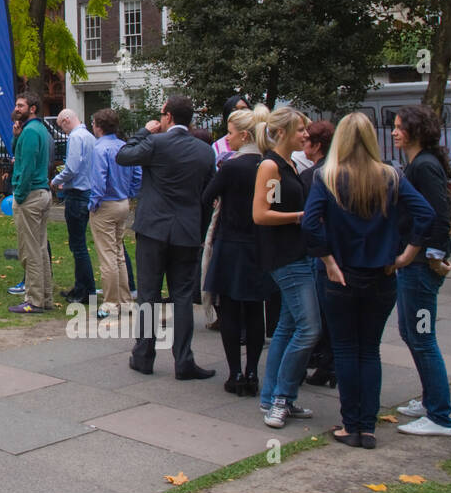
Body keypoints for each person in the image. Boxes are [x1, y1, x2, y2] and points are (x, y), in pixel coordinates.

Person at [303, 113, 434, 449]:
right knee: (369, 350)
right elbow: (426, 213)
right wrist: (405, 255)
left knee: (346, 349)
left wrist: (328, 259)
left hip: (341, 275)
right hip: (381, 275)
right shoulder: (390, 175)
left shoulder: (327, 176)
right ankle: (368, 426)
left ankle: (352, 425)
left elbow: (310, 224)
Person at [116, 94, 217, 379]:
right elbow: (208, 197)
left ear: (168, 116)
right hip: (186, 230)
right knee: (183, 296)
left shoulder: (156, 143)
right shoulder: (205, 152)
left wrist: (143, 132)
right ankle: (183, 360)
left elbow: (123, 155)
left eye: (162, 115)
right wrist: (199, 231)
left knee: (148, 293)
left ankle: (144, 355)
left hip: (153, 229)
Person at [391, 105, 451, 437]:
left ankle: (439, 415)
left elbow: (437, 215)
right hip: (416, 266)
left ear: (416, 130)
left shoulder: (424, 167)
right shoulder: (420, 164)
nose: (394, 132)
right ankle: (431, 399)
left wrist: (428, 256)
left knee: (421, 336)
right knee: (412, 333)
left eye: (400, 127)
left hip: (419, 268)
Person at [253, 106, 317, 428]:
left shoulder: (288, 164)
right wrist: (299, 217)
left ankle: (275, 397)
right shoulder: (271, 166)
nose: (306, 135)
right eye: (300, 130)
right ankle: (280, 397)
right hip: (286, 257)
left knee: (288, 327)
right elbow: (262, 214)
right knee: (309, 328)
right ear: (281, 132)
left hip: (296, 252)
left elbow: (274, 205)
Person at [201, 105, 269, 396]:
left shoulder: (231, 167)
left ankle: (235, 373)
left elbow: (206, 196)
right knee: (255, 312)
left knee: (229, 312)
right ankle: (253, 372)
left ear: (244, 135)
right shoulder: (269, 165)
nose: (228, 140)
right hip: (259, 246)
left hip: (231, 244)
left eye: (230, 134)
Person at [88, 108, 141, 317]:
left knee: (107, 255)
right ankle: (125, 300)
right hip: (122, 202)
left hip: (106, 204)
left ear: (98, 126)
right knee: (118, 252)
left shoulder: (100, 149)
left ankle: (110, 302)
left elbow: (99, 180)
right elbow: (138, 174)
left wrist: (93, 203)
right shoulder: (123, 146)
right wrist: (129, 193)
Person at [299, 120, 337, 387]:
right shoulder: (338, 171)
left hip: (318, 250)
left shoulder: (312, 176)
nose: (302, 141)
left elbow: (309, 219)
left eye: (306, 138)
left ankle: (146, 352)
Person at [9, 91, 53, 312]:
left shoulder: (30, 133)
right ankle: (45, 297)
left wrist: (19, 193)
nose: (17, 109)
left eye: (21, 105)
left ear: (32, 109)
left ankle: (33, 300)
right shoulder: (39, 130)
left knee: (30, 250)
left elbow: (25, 166)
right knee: (41, 248)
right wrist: (16, 136)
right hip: (42, 192)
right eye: (17, 105)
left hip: (31, 195)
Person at [51, 108, 97, 303]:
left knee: (78, 246)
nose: (64, 132)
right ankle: (82, 287)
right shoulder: (90, 137)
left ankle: (86, 291)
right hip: (87, 191)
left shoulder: (76, 137)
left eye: (63, 127)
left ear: (67, 120)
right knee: (79, 245)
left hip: (77, 194)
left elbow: (71, 168)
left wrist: (55, 180)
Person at [212, 94, 250, 165]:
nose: (239, 113)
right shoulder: (218, 146)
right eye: (234, 110)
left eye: (243, 109)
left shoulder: (261, 143)